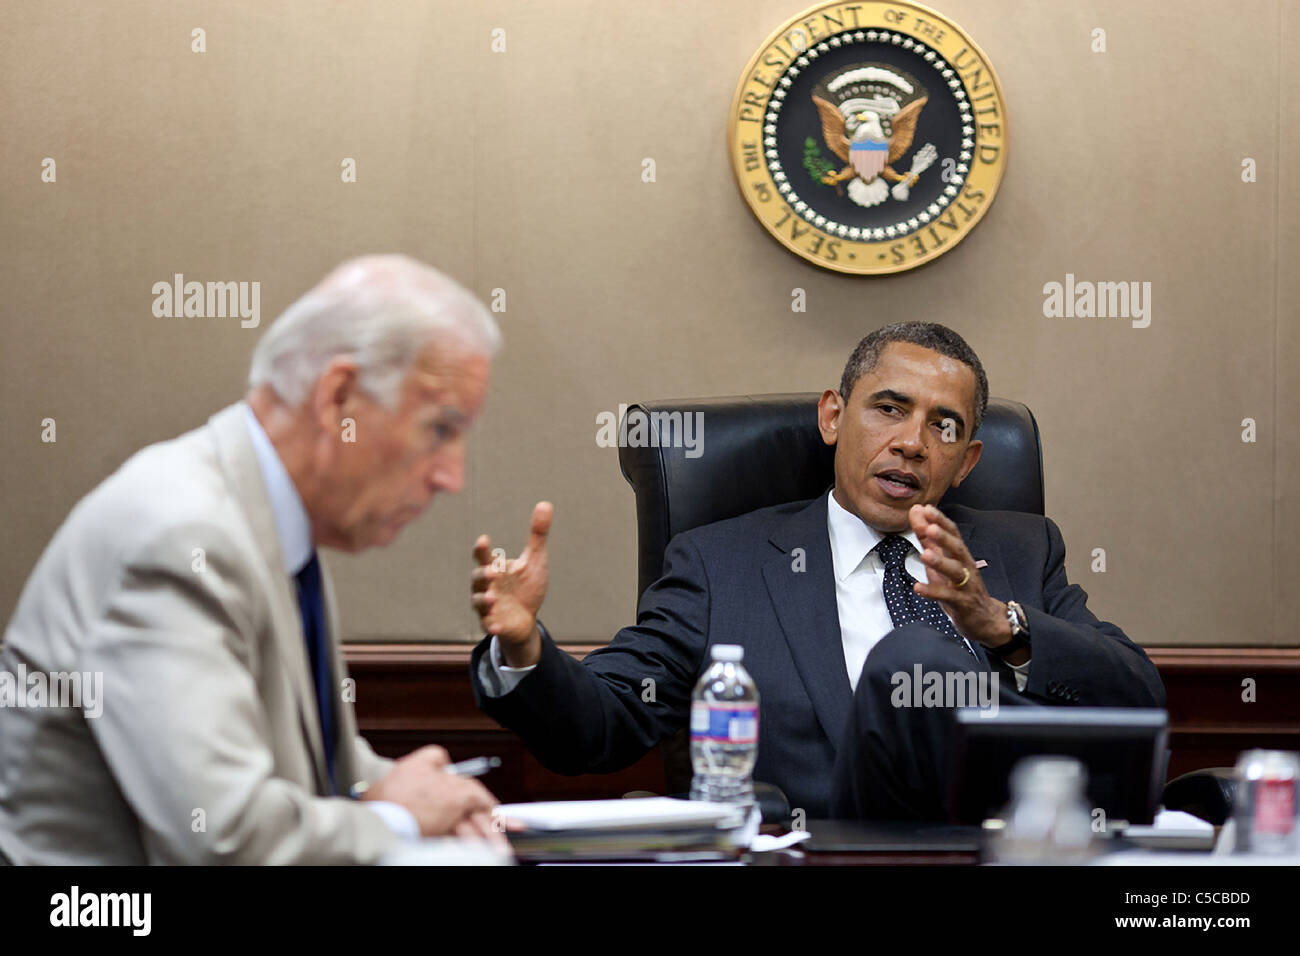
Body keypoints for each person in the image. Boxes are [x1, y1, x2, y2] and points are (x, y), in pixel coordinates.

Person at [467, 322, 1165, 820]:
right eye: (888, 409)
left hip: (1002, 855)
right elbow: (602, 726)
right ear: (833, 417)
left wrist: (1003, 626)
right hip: (824, 862)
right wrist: (526, 650)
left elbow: (1136, 699)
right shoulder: (722, 564)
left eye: (943, 427)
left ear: (969, 461)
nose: (912, 444)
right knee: (913, 662)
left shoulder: (1022, 550)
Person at [0, 255, 508, 864]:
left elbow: (306, 767)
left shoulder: (268, 524)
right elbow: (225, 839)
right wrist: (397, 817)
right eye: (440, 430)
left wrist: (413, 789)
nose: (452, 476)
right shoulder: (180, 538)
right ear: (338, 397)